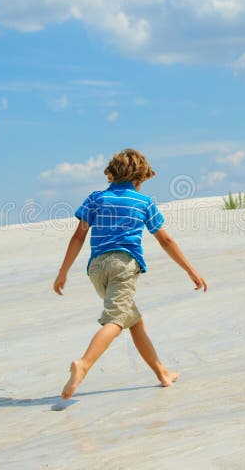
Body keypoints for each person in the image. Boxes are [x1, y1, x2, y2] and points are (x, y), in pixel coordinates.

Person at [53, 148, 207, 400]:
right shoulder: (143, 202)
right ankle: (84, 364)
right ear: (139, 178)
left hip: (96, 269)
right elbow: (165, 240)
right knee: (115, 320)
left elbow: (78, 236)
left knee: (134, 320)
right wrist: (191, 271)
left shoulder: (95, 198)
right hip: (123, 266)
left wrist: (63, 272)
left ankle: (162, 373)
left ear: (112, 174)